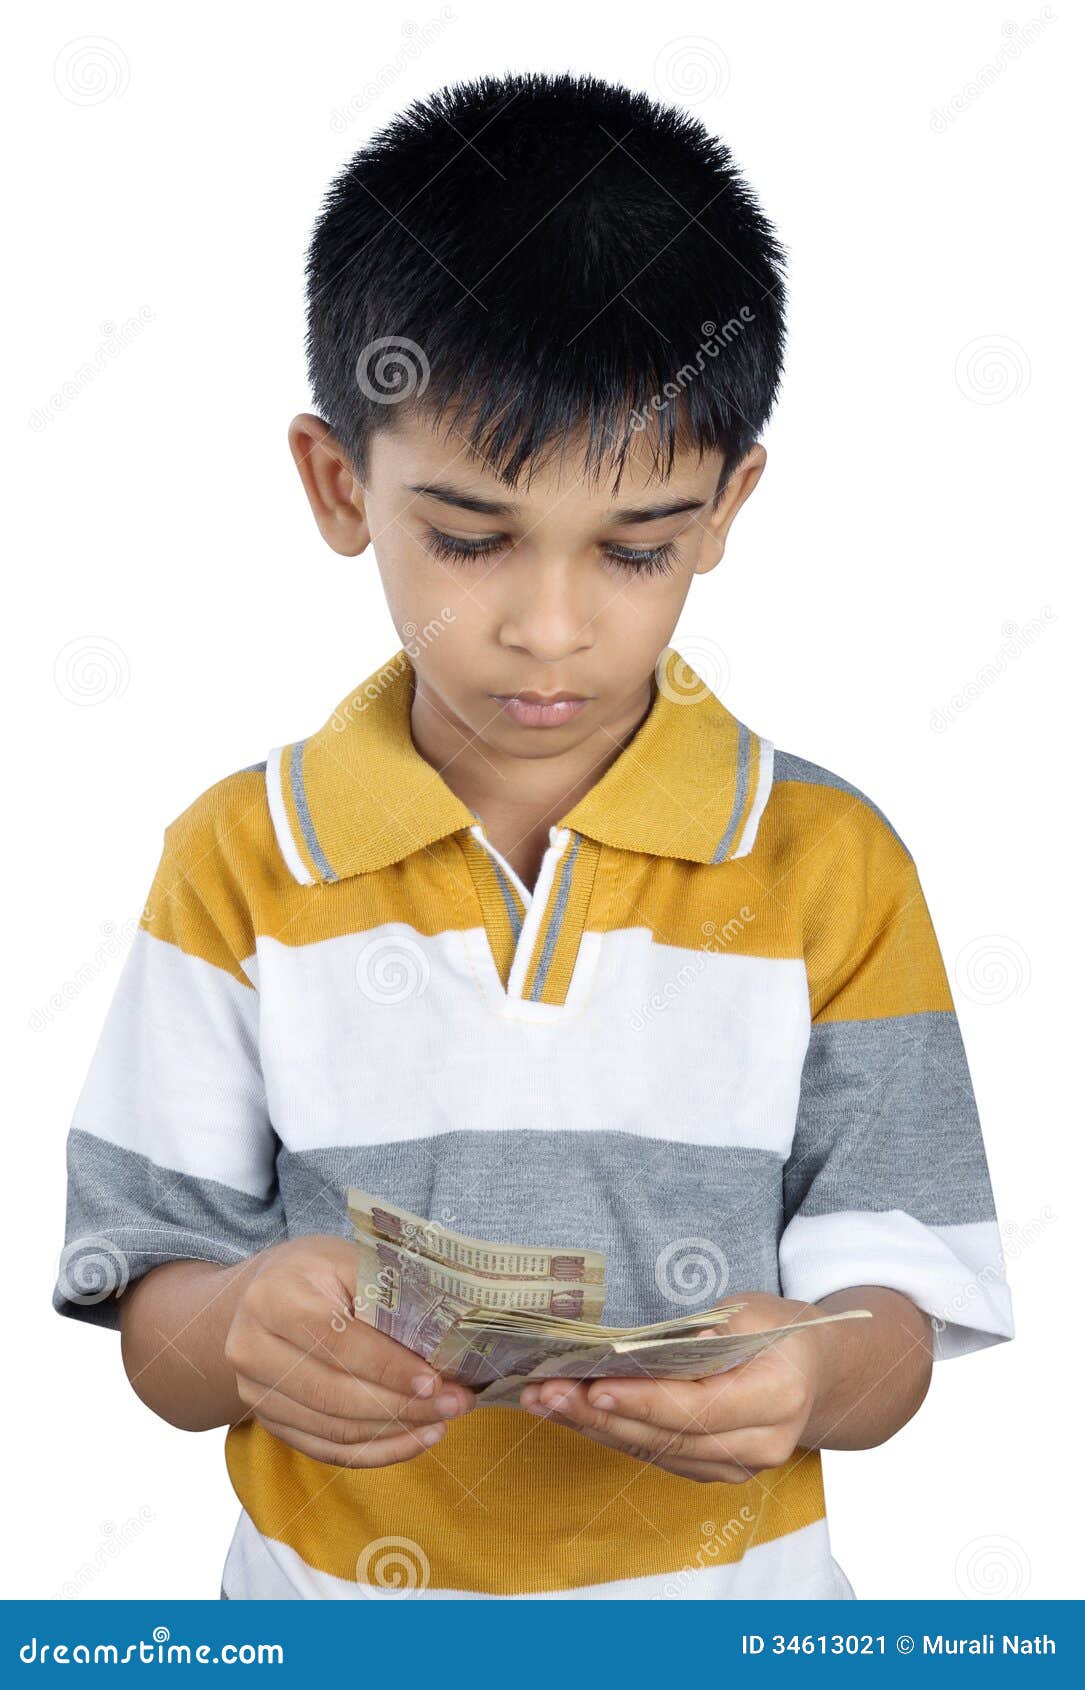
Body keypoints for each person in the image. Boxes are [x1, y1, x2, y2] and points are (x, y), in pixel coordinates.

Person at [53, 70, 1013, 1600]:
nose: (546, 629)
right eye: (470, 536)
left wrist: (809, 1374)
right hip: (325, 1616)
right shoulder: (243, 858)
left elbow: (897, 1315)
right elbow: (149, 1299)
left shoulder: (828, 865)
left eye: (634, 548)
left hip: (727, 1623)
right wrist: (238, 1326)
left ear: (721, 510)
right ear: (337, 481)